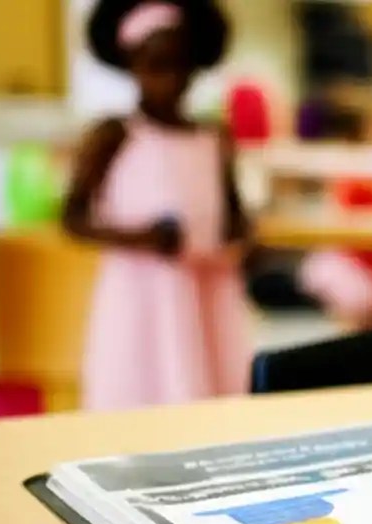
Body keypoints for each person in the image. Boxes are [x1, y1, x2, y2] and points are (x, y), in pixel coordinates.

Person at [62, 0, 252, 411]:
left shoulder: (213, 137)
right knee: (146, 387)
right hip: (143, 291)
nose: (173, 79)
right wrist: (141, 238)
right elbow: (73, 218)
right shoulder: (114, 135)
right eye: (158, 65)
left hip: (209, 286)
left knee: (214, 384)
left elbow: (232, 209)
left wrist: (241, 238)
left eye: (182, 65)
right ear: (133, 65)